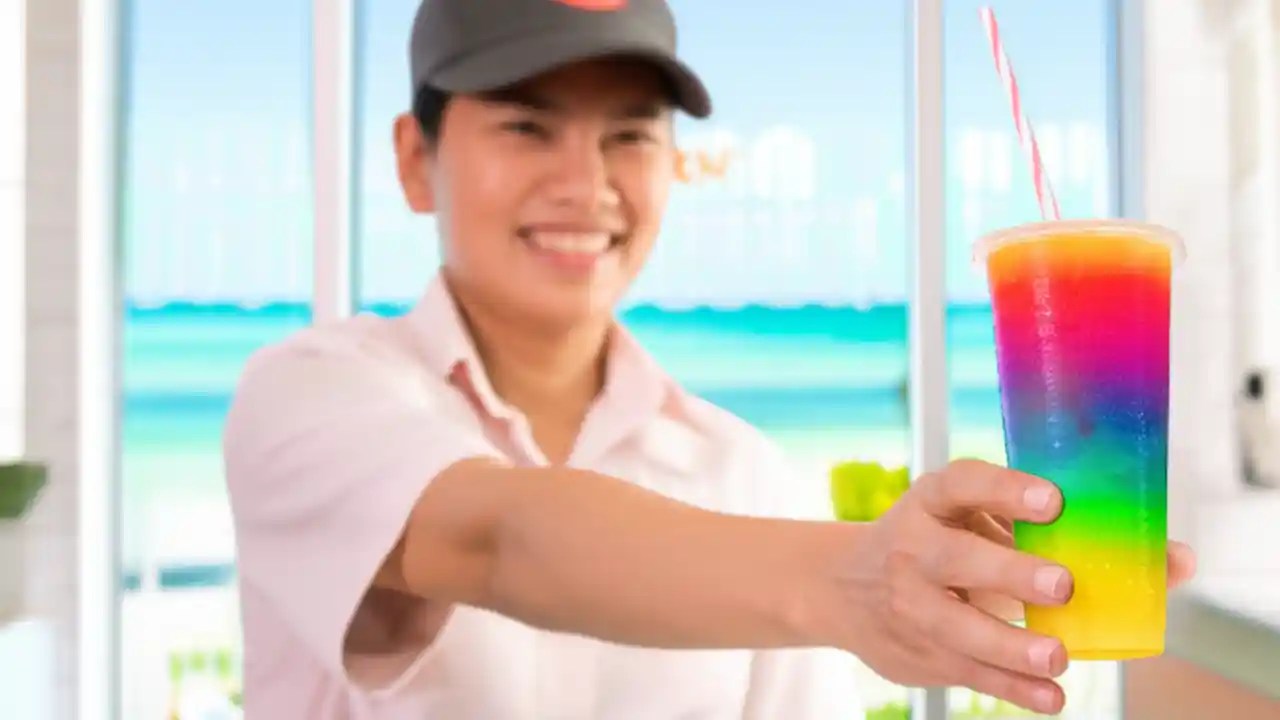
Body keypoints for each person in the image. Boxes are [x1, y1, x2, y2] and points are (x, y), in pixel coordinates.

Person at [222, 0, 1197, 717]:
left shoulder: (746, 476)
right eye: (526, 125)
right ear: (410, 159)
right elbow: (493, 538)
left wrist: (896, 589)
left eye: (629, 136)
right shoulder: (308, 394)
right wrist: (851, 578)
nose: (585, 185)